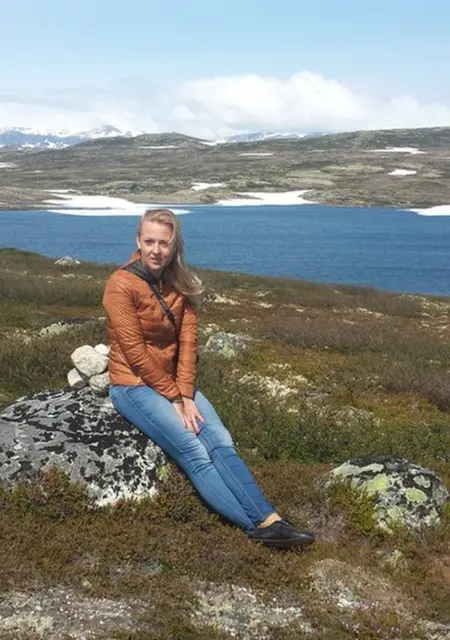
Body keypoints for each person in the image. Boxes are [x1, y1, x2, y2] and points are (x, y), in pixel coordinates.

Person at [102, 208, 314, 549]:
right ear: (138, 242)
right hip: (133, 385)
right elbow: (136, 353)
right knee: (193, 449)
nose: (156, 250)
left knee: (218, 439)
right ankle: (257, 526)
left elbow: (188, 345)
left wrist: (186, 394)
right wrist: (174, 397)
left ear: (174, 246)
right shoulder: (120, 284)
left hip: (175, 385)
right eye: (149, 241)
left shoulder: (180, 284)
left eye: (164, 243)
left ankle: (272, 521)